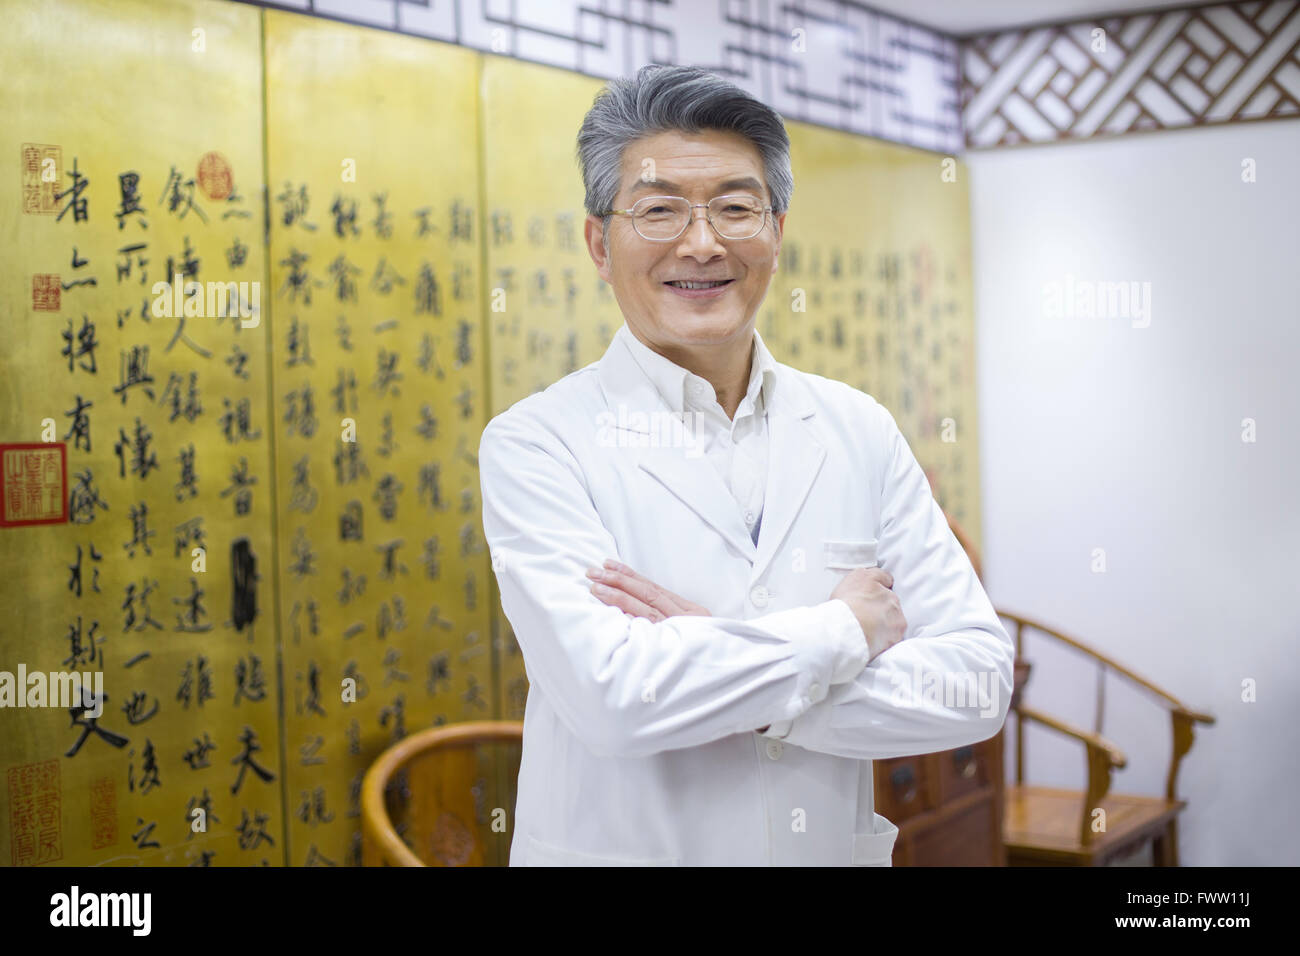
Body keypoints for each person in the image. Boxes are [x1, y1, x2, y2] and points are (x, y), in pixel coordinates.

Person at [479, 64, 1014, 866]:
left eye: (735, 207)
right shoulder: (538, 442)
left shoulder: (856, 429)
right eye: (659, 211)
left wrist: (742, 677)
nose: (703, 243)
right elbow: (616, 698)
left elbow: (976, 684)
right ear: (600, 241)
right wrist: (842, 632)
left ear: (776, 231)